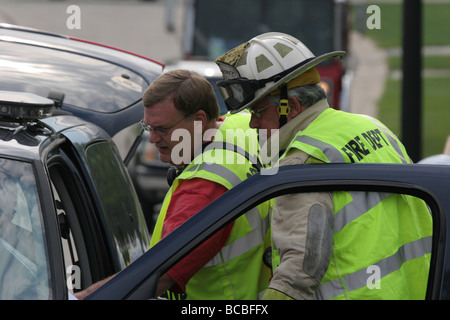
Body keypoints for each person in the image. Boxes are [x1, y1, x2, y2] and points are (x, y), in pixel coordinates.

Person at [215, 32, 433, 300]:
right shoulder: (373, 126)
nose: (253, 124)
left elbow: (296, 274)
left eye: (258, 112)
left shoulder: (301, 162)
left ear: (290, 107)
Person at [142, 69, 272, 300]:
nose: (152, 139)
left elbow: (154, 277)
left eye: (162, 129)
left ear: (199, 121)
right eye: (148, 127)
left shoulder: (203, 187)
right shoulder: (245, 126)